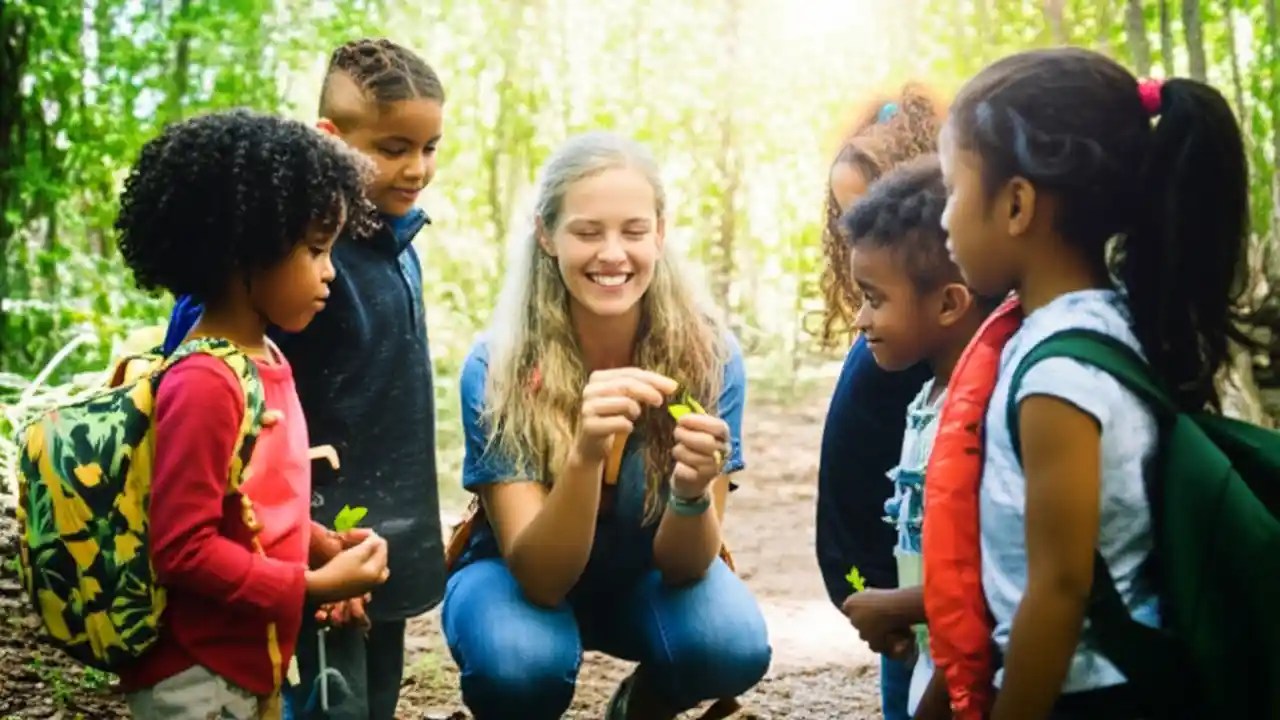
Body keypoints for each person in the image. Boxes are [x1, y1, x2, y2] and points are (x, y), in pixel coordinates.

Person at [939, 47, 1249, 719]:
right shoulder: (1106, 326)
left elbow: (1059, 589)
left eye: (953, 190)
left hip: (1092, 694)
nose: (944, 219)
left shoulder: (1059, 375)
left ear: (1017, 203)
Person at [160, 38, 447, 720]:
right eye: (394, 146)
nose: (417, 168)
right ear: (331, 139)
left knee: (373, 700)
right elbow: (226, 380)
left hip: (379, 537)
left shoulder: (399, 246)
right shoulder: (291, 259)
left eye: (430, 147)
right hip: (309, 545)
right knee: (326, 703)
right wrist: (306, 546)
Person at [442, 132, 771, 720]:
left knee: (731, 646)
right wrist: (585, 455)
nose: (613, 254)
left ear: (661, 234)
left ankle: (643, 708)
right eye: (587, 232)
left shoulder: (710, 356)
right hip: (517, 581)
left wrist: (692, 493)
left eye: (634, 231)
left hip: (647, 578)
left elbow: (686, 566)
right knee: (518, 664)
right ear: (547, 235)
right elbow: (540, 579)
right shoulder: (497, 366)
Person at [113, 109, 391, 720]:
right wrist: (312, 588)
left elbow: (246, 500)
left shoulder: (263, 357)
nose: (330, 272)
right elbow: (182, 549)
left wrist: (315, 544)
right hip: (193, 676)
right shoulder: (205, 381)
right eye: (316, 250)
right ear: (247, 253)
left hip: (245, 658)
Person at [836, 156, 996, 720]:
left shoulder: (984, 413)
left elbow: (1003, 579)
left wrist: (904, 604)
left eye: (874, 298)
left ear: (950, 303)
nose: (860, 319)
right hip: (931, 648)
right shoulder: (929, 396)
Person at [812, 82, 946, 720]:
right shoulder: (889, 347)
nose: (855, 236)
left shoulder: (953, 364)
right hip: (894, 594)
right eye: (844, 219)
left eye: (868, 211)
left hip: (926, 604)